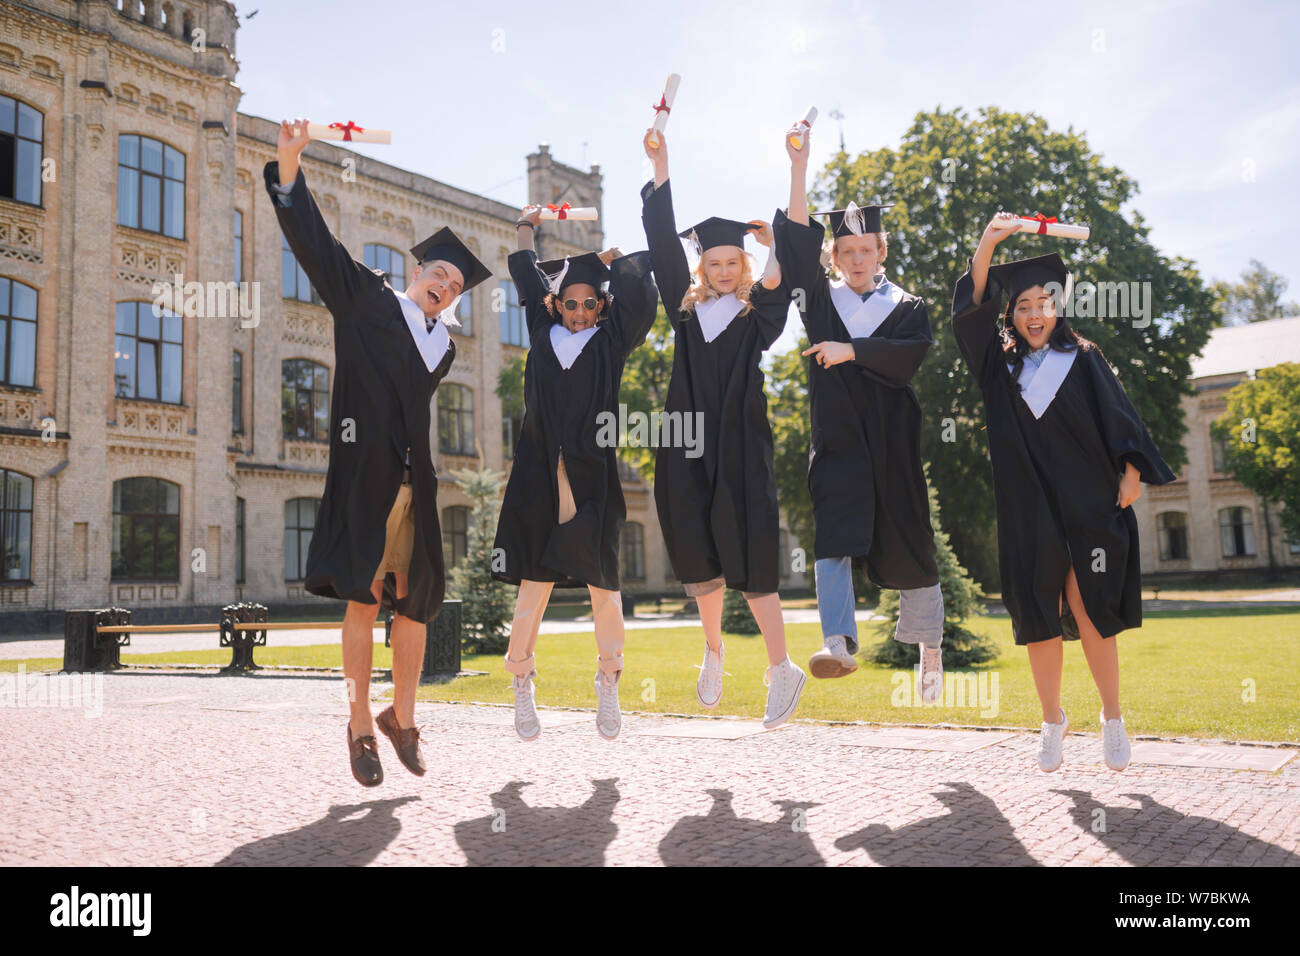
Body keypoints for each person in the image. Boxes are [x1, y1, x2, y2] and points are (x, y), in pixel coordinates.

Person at [266, 118, 491, 786]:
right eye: (438, 274)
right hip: (364, 479)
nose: (445, 286)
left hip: (416, 488)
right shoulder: (366, 297)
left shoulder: (443, 347)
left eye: (455, 286)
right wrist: (288, 164)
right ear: (416, 269)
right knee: (364, 602)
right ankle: (361, 721)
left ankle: (404, 716)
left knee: (416, 605)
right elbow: (316, 246)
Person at [952, 212, 1176, 772]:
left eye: (1043, 304)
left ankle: (1112, 716)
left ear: (1058, 307)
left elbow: (1118, 418)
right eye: (1022, 307)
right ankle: (1052, 719)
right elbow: (967, 311)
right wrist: (988, 242)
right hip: (1028, 503)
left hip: (1088, 497)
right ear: (1010, 314)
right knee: (1040, 607)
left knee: (1087, 601)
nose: (1034, 315)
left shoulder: (1085, 359)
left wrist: (1131, 471)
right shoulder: (996, 369)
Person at [641, 128, 806, 729]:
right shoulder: (683, 318)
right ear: (703, 268)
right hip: (685, 440)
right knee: (693, 541)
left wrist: (790, 197)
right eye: (714, 262)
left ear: (744, 264)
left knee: (750, 548)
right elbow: (661, 246)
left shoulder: (757, 316)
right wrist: (661, 166)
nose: (725, 269)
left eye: (734, 261)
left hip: (738, 443)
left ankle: (782, 667)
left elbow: (785, 276)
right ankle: (713, 651)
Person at [772, 127, 945, 701]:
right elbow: (795, 241)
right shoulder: (821, 302)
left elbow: (910, 357)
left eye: (865, 250)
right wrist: (800, 168)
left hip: (894, 439)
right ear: (836, 257)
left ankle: (928, 646)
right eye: (844, 252)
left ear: (881, 252)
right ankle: (838, 644)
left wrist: (851, 350)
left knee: (910, 536)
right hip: (840, 440)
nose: (855, 259)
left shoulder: (909, 307)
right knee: (834, 536)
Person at [493, 200, 659, 742]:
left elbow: (641, 292)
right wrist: (526, 226)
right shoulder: (542, 331)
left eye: (591, 303)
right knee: (533, 584)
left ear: (601, 305)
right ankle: (521, 678)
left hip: (592, 477)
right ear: (556, 303)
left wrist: (612, 262)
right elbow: (522, 270)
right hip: (539, 475)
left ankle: (608, 679)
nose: (581, 311)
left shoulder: (612, 342)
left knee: (603, 582)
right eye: (572, 303)